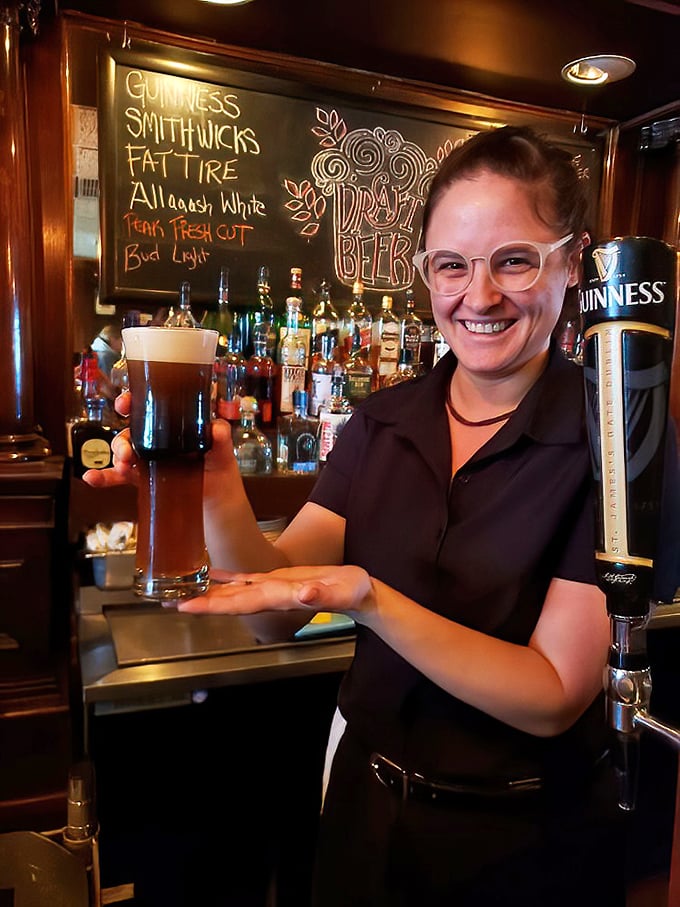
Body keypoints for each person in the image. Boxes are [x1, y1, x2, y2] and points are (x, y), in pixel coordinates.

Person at [85, 126, 629, 906]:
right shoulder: (382, 422)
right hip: (364, 820)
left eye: (514, 260)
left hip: (526, 844)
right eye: (452, 265)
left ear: (572, 262)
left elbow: (551, 692)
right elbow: (275, 607)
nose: (478, 296)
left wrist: (370, 600)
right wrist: (214, 482)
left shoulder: (613, 439)